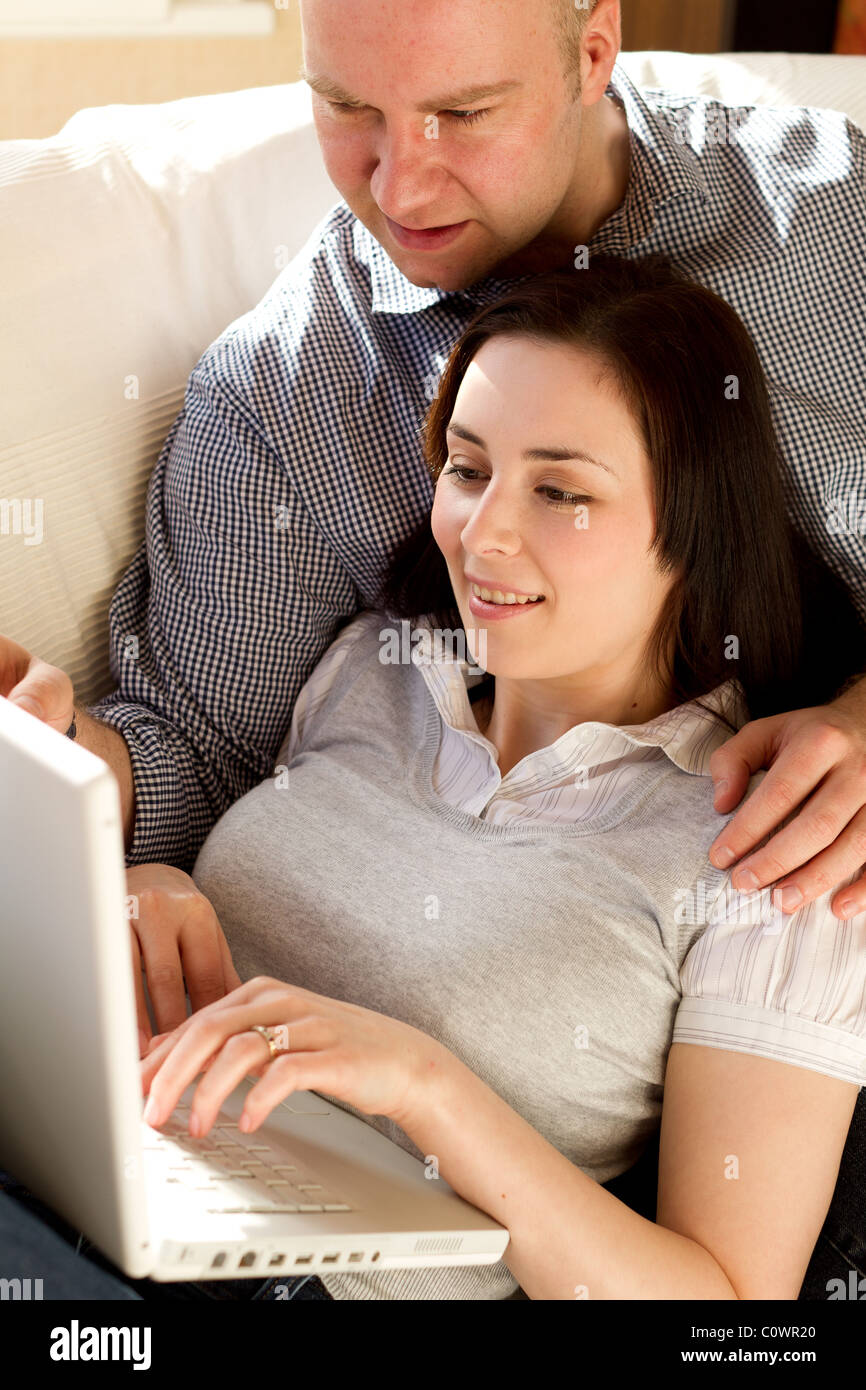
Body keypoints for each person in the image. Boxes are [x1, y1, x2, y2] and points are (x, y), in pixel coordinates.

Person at [2, 0, 866, 1294]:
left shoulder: (831, 236)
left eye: (462, 114)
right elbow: (195, 748)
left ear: (591, 54)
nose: (399, 182)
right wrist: (66, 779)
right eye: (347, 110)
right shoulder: (313, 485)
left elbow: (725, 1295)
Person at [137, 253, 866, 1300]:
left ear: (697, 528)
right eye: (467, 469)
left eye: (561, 490)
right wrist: (133, 895)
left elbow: (730, 1310)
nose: (481, 537)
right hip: (111, 1178)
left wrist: (427, 1087)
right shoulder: (375, 666)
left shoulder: (778, 844)